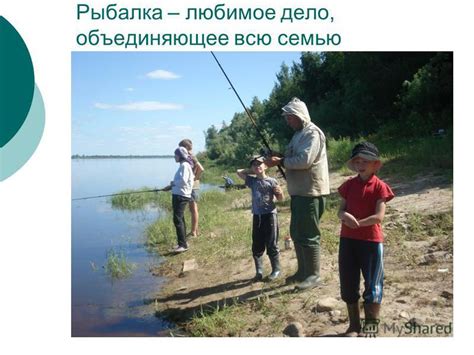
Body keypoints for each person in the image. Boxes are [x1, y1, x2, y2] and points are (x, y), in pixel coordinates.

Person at [265, 97, 330, 291]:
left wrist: (281, 162)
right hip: (299, 192)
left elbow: (304, 161)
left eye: (289, 118)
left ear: (299, 116)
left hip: (311, 192)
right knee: (297, 233)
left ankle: (313, 275)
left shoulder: (313, 133)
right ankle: (303, 272)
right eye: (286, 118)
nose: (288, 122)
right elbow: (292, 156)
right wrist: (279, 157)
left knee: (309, 234)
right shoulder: (298, 135)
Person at [337, 142, 394, 336]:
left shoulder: (380, 187)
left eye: (366, 161)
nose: (361, 164)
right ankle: (354, 326)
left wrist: (358, 223)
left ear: (375, 165)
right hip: (347, 240)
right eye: (357, 161)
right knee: (348, 281)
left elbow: (379, 216)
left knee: (373, 283)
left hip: (370, 241)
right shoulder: (348, 185)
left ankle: (371, 327)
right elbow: (340, 210)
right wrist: (344, 216)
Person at [237, 155, 284, 281]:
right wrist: (253, 170)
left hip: (270, 215)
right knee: (257, 244)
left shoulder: (272, 181)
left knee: (271, 243)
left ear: (266, 166)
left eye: (259, 164)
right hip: (257, 216)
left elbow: (280, 199)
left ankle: (276, 270)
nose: (257, 166)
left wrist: (280, 192)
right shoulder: (252, 181)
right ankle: (259, 272)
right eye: (254, 164)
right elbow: (239, 172)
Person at [163, 146, 195, 253]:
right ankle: (183, 243)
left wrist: (172, 184)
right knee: (180, 219)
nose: (174, 157)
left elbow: (183, 181)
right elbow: (180, 181)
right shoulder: (184, 165)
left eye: (175, 155)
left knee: (177, 219)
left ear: (179, 156)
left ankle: (183, 245)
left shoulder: (184, 165)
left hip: (181, 195)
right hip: (180, 194)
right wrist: (171, 185)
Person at [179, 139, 204, 238]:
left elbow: (201, 169)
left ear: (184, 147)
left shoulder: (190, 156)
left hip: (192, 186)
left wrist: (194, 178)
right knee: (193, 208)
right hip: (193, 185)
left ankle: (193, 232)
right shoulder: (190, 156)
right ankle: (196, 230)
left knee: (193, 209)